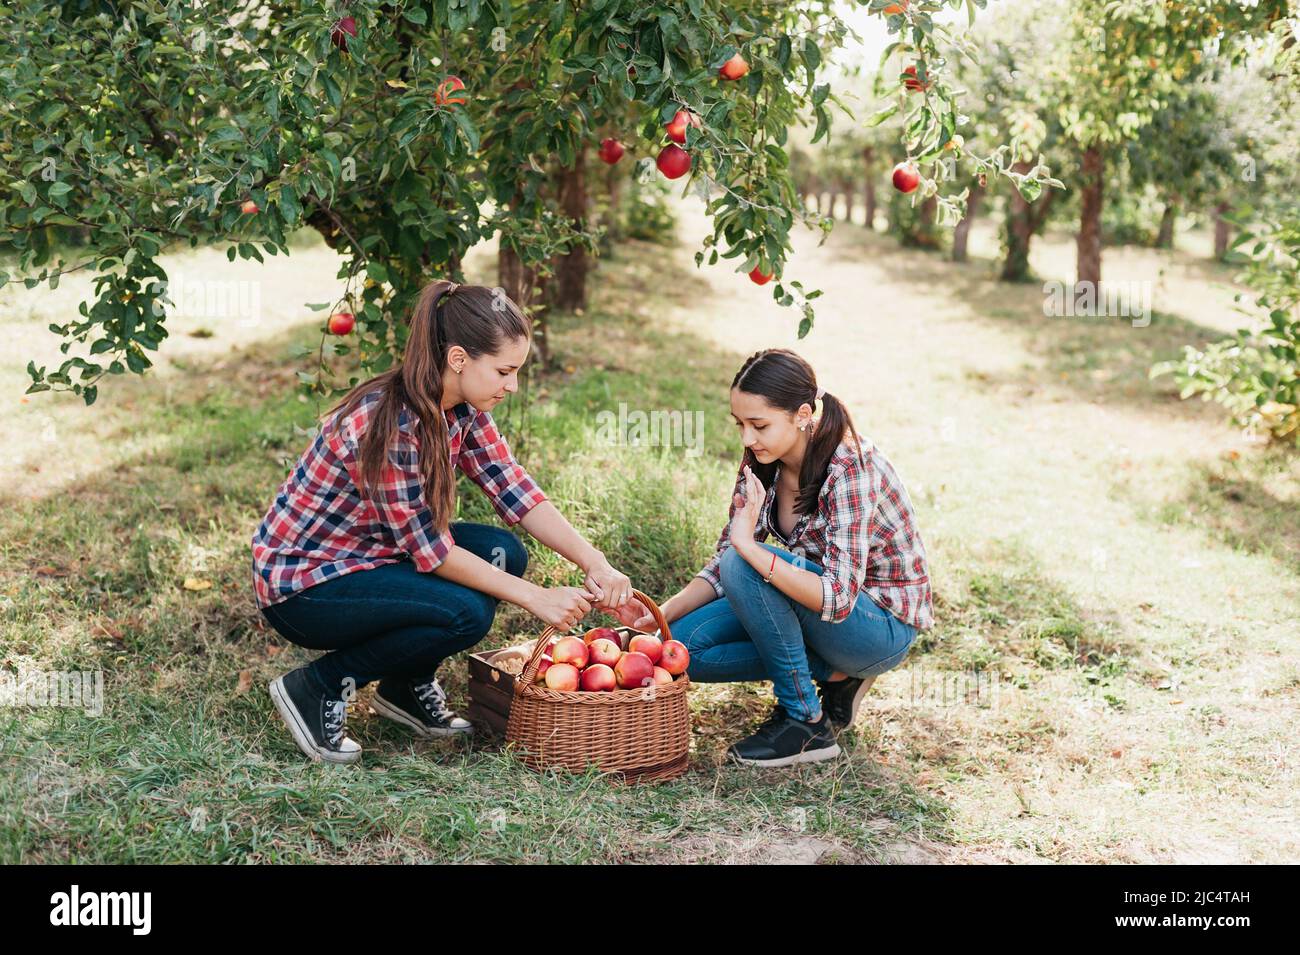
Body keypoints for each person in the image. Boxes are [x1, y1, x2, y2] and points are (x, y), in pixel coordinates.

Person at [251, 280, 634, 764]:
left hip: (373, 553)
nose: (511, 385)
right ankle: (318, 687)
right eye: (503, 371)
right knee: (465, 613)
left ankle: (404, 686)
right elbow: (430, 549)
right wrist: (537, 598)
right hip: (306, 584)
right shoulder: (387, 422)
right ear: (458, 359)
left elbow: (511, 485)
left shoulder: (461, 409)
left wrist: (594, 561)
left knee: (505, 553)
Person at [627, 348, 933, 767]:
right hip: (816, 609)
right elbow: (725, 561)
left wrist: (749, 550)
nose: (747, 439)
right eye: (740, 425)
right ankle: (835, 675)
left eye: (759, 425)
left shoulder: (851, 467)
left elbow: (839, 597)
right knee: (682, 649)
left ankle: (805, 723)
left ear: (803, 414)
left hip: (877, 625)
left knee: (744, 562)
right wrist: (662, 614)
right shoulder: (761, 460)